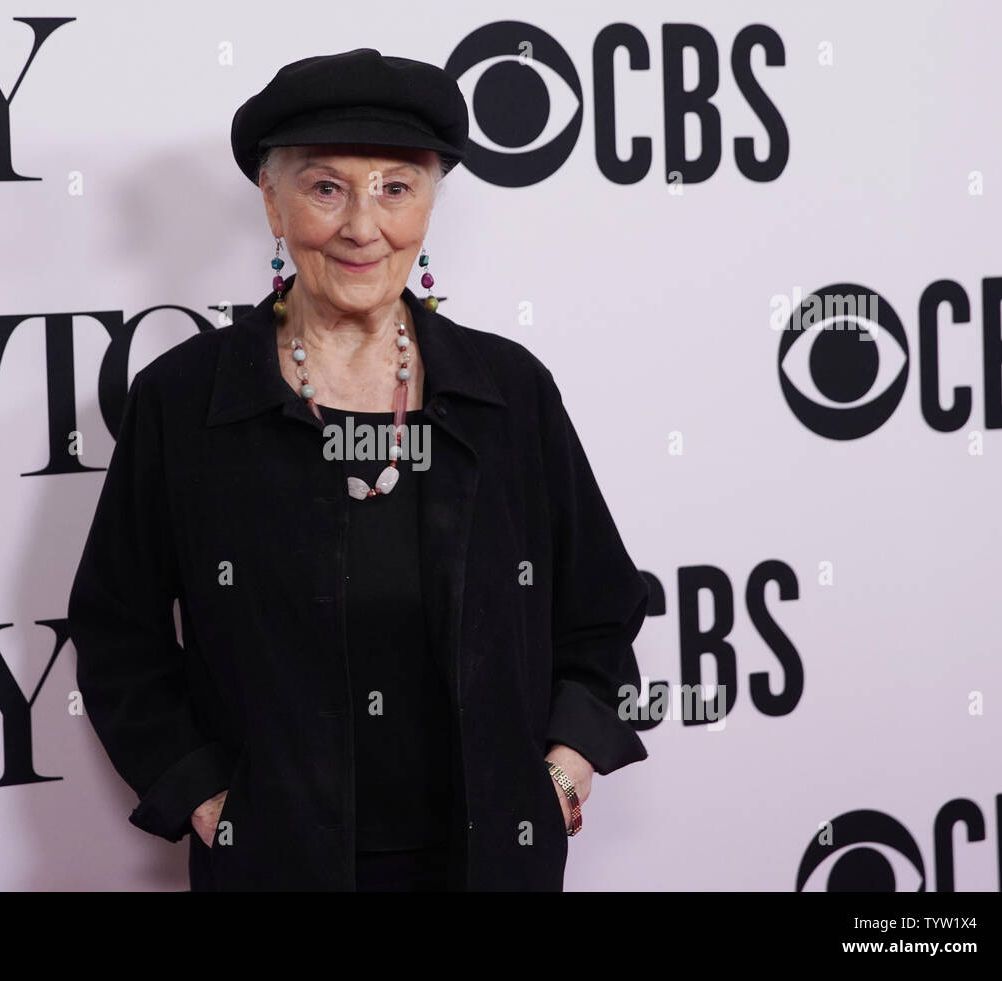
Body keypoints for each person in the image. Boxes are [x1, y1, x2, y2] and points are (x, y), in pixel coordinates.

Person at [67, 47, 651, 891]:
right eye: (325, 186)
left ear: (431, 203)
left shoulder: (509, 392)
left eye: (396, 187)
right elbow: (119, 628)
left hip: (488, 862)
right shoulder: (185, 402)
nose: (362, 226)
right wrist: (203, 796)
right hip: (277, 864)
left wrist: (563, 769)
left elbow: (600, 605)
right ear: (271, 199)